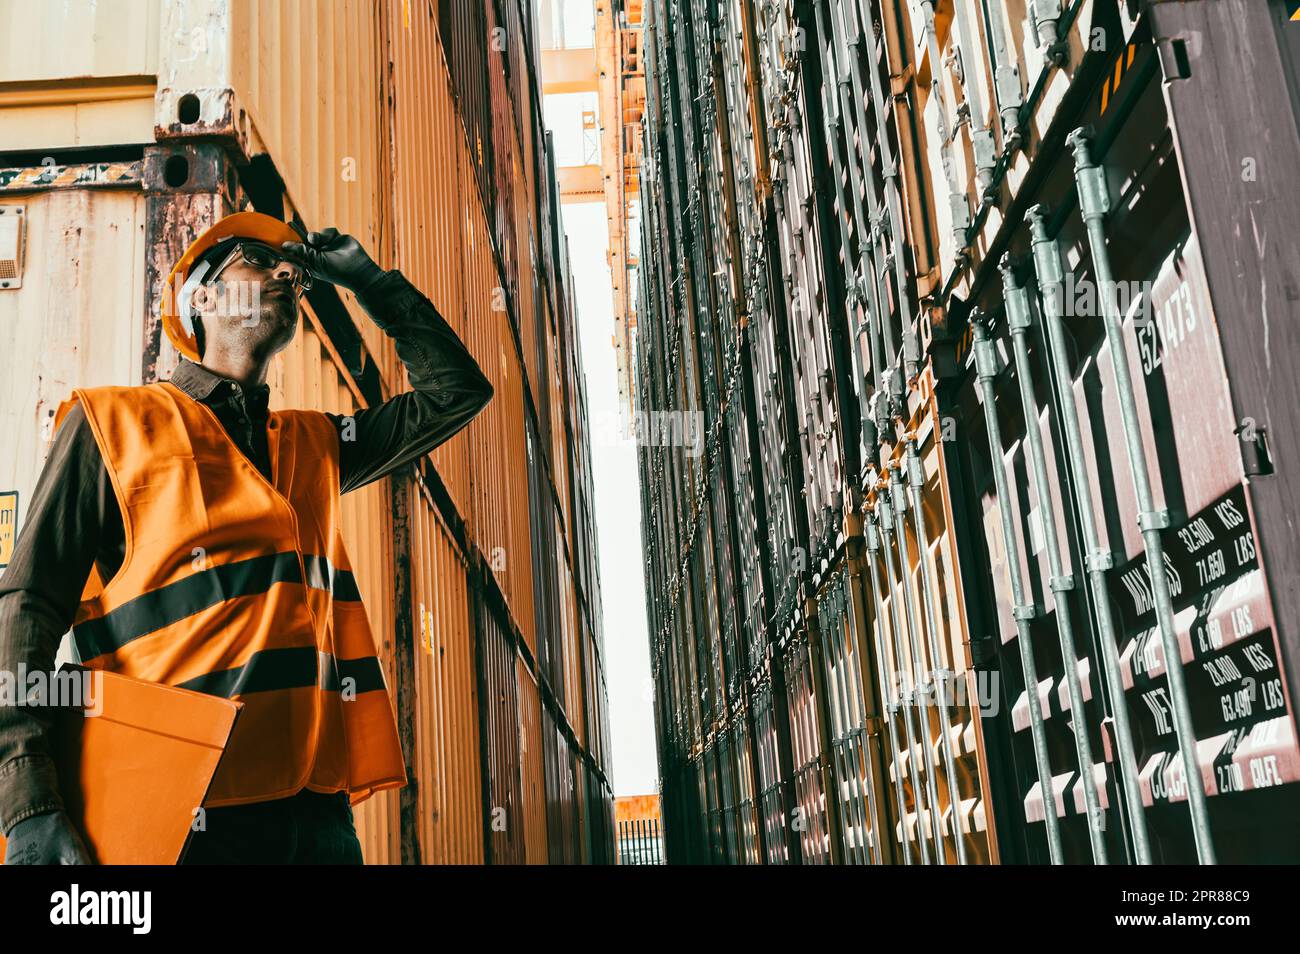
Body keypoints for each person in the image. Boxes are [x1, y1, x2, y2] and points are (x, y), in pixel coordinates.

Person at [0, 212, 493, 864]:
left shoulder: (317, 442)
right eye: (258, 261)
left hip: (315, 818)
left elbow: (456, 392)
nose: (288, 272)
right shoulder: (112, 426)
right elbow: (27, 606)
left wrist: (369, 281)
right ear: (200, 299)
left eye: (294, 267)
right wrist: (28, 800)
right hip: (175, 813)